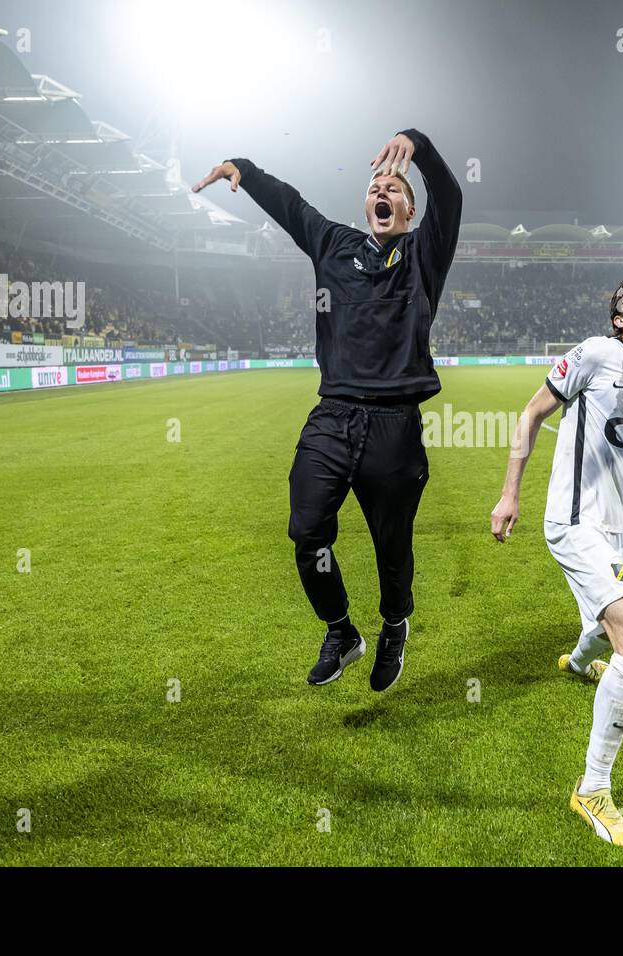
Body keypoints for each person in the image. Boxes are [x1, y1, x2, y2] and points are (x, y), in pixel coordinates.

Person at [192, 129, 462, 690]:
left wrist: (418, 145)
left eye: (395, 188)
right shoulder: (334, 244)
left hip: (394, 426)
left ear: (410, 210)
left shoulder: (425, 254)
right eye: (375, 187)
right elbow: (292, 206)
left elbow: (451, 195)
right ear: (367, 205)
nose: (383, 191)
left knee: (392, 546)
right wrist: (244, 169)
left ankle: (394, 625)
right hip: (333, 416)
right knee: (307, 530)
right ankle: (341, 630)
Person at [490, 273, 623, 849]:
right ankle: (592, 790)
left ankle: (576, 663)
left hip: (620, 533)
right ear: (619, 319)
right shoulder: (594, 353)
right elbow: (531, 414)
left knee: (601, 625)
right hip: (576, 523)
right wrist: (510, 494)